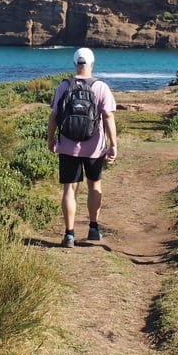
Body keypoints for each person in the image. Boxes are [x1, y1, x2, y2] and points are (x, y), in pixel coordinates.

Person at [47, 47, 118, 248]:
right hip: (95, 147)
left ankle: (69, 234)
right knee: (94, 185)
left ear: (74, 64)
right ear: (92, 64)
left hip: (68, 146)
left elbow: (53, 116)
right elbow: (109, 117)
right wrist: (114, 144)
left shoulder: (63, 86)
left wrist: (51, 139)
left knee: (70, 188)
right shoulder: (100, 86)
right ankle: (94, 228)